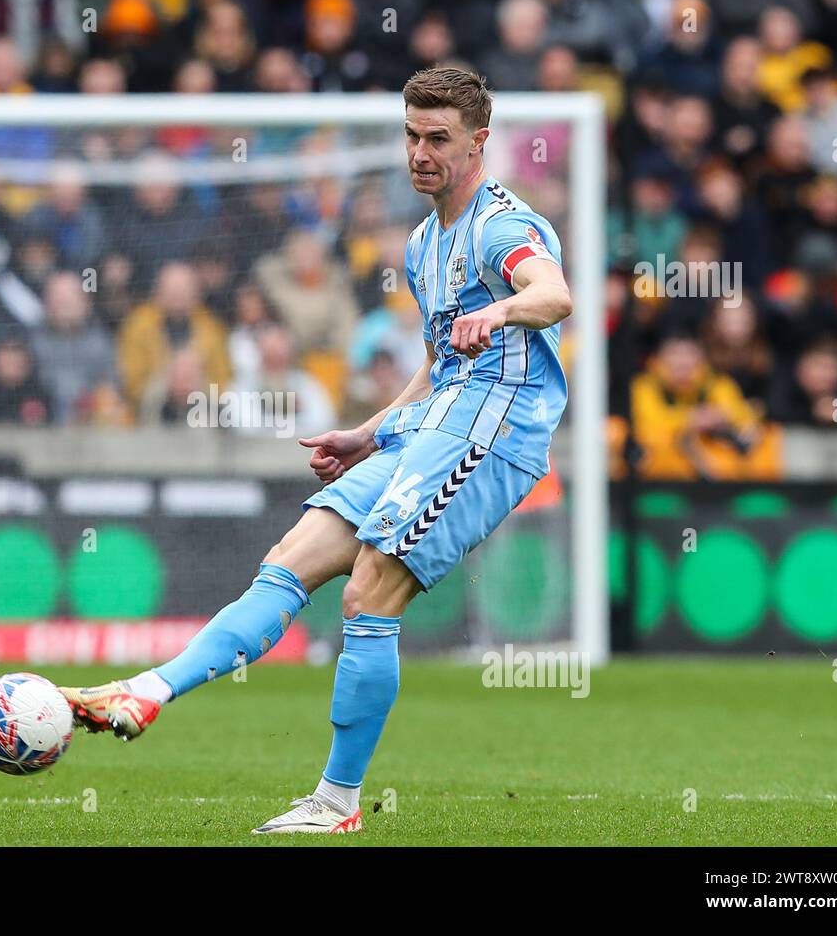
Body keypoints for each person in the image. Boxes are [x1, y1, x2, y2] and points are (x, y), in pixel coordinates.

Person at [59, 67, 573, 834]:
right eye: (411, 135)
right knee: (291, 558)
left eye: (438, 138)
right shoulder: (425, 242)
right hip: (431, 424)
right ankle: (147, 690)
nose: (420, 152)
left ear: (478, 143)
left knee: (367, 594)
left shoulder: (501, 227)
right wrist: (369, 432)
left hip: (492, 431)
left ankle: (336, 804)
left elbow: (554, 292)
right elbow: (437, 361)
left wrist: (500, 312)